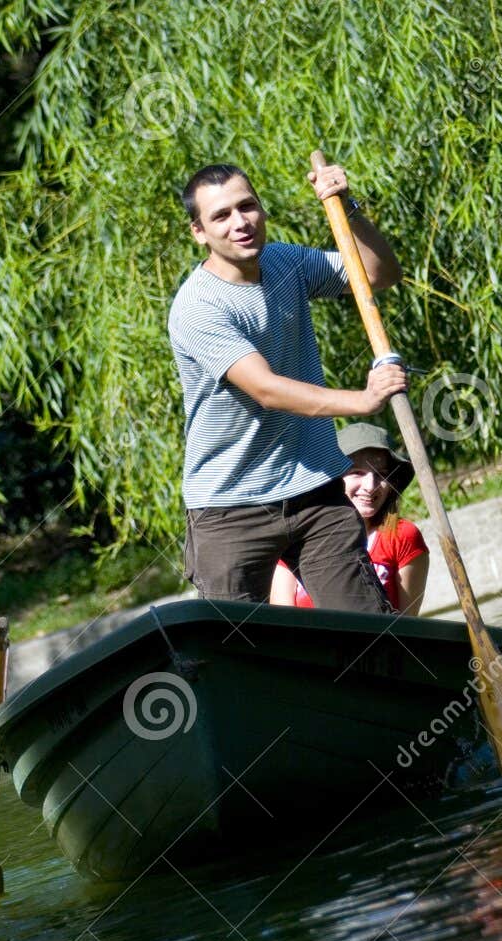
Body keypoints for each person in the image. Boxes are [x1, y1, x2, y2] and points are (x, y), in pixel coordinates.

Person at [168, 160, 407, 610]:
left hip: (315, 487)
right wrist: (364, 400)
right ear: (199, 232)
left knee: (372, 631)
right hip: (230, 505)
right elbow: (267, 389)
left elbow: (378, 275)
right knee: (233, 653)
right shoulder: (197, 307)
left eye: (248, 206)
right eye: (221, 215)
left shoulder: (286, 262)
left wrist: (349, 210)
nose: (240, 223)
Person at [271, 424, 430, 614]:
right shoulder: (298, 538)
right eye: (357, 472)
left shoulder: (402, 536)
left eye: (382, 475)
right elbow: (285, 620)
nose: (370, 486)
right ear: (333, 478)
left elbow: (407, 624)